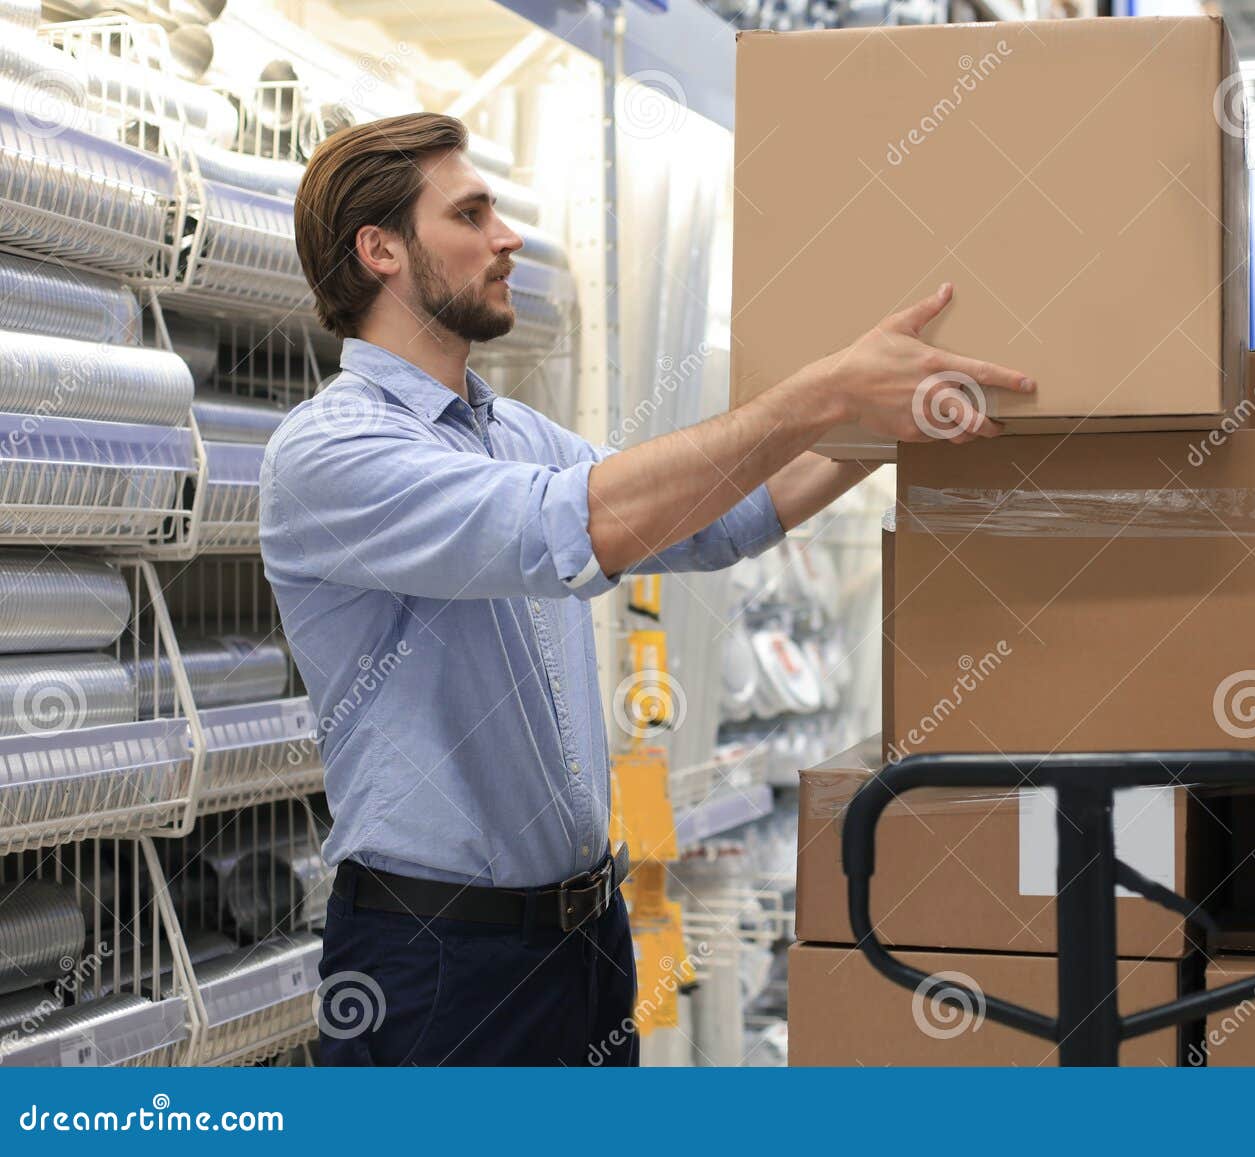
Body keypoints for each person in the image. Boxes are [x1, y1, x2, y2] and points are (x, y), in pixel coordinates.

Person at [262, 111, 1034, 1066]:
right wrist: (826, 392)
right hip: (437, 961)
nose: (506, 237)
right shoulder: (331, 453)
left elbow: (718, 521)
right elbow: (580, 522)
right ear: (379, 249)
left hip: (582, 937)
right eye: (471, 214)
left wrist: (895, 416)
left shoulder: (517, 434)